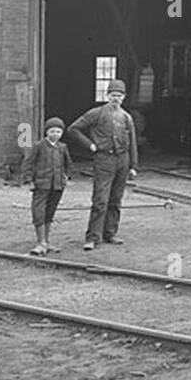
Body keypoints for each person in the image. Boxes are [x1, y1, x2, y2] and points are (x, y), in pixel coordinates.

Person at [68, 78, 139, 251]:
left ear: (124, 97)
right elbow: (73, 129)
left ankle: (110, 233)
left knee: (116, 200)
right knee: (100, 199)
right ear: (107, 96)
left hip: (122, 160)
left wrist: (133, 166)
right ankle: (93, 237)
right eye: (113, 95)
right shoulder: (97, 113)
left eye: (119, 96)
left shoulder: (126, 117)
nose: (116, 99)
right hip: (104, 161)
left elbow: (133, 142)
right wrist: (91, 145)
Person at [23, 116, 71, 255]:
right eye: (52, 131)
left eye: (58, 131)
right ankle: (40, 242)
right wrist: (29, 180)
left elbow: (69, 164)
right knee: (39, 212)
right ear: (46, 132)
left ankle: (47, 242)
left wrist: (66, 176)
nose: (55, 134)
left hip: (57, 185)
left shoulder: (62, 147)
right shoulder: (38, 146)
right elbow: (28, 163)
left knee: (50, 212)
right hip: (41, 185)